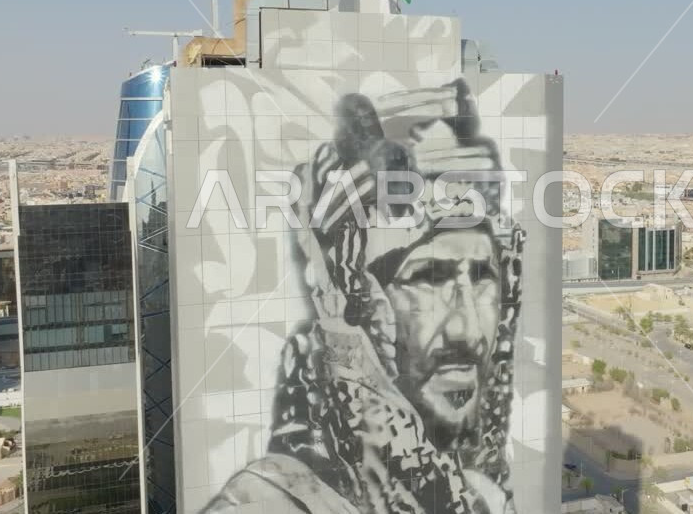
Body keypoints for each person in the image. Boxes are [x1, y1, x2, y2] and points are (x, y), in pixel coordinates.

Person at [204, 81, 524, 514]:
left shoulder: (479, 496)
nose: (466, 331)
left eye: (483, 276)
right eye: (428, 277)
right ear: (351, 298)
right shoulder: (264, 506)